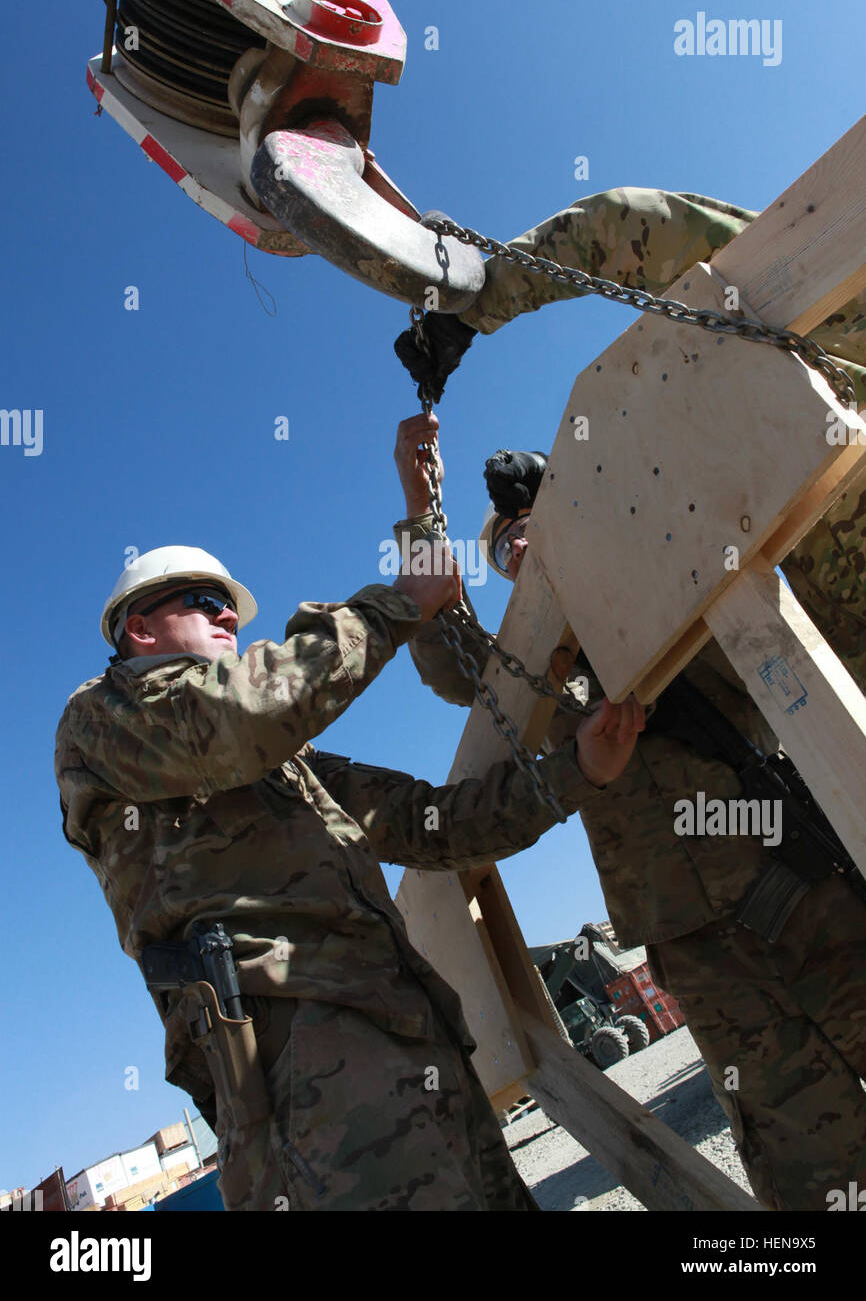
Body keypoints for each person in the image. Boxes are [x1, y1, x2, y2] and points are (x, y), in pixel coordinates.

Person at [55, 541, 644, 1212]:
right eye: (204, 602)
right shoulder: (101, 722)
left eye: (231, 609)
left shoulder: (289, 767)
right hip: (300, 1085)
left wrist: (579, 770)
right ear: (139, 627)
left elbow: (431, 823)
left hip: (414, 1044)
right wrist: (398, 606)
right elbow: (247, 715)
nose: (228, 617)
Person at [393, 416, 866, 1211]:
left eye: (537, 522)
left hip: (802, 884)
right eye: (508, 543)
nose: (523, 544)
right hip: (697, 945)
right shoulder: (536, 679)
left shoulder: (677, 583)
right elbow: (447, 657)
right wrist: (419, 506)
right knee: (805, 1155)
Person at [395, 188, 866, 692]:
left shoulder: (683, 521)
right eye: (506, 554)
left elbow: (636, 227)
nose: (520, 548)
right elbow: (460, 676)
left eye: (522, 527)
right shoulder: (580, 663)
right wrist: (421, 511)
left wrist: (472, 311)